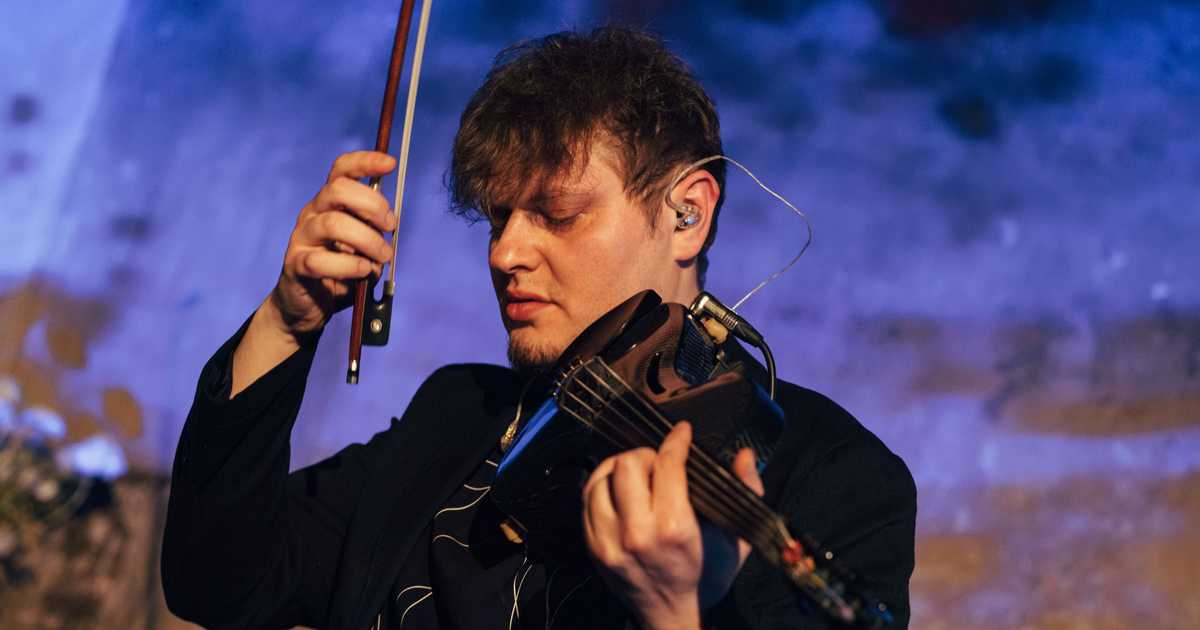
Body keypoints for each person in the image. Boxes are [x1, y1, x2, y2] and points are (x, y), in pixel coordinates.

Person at [161, 27, 916, 630]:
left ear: (687, 212)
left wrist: (671, 614)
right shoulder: (456, 417)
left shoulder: (836, 477)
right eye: (497, 219)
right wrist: (288, 322)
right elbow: (221, 582)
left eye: (557, 214)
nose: (505, 253)